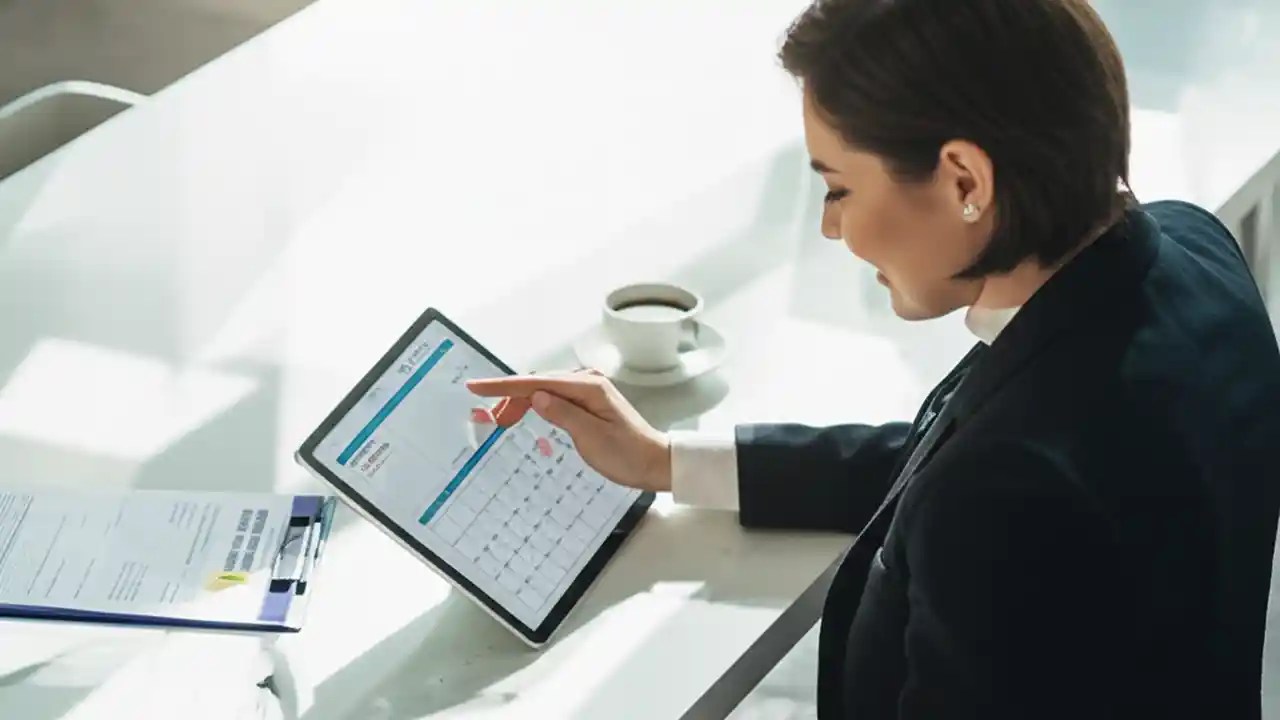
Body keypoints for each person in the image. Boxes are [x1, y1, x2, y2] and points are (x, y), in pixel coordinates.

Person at [467, 0, 1280, 717]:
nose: (831, 228)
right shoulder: (1188, 250)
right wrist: (668, 461)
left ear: (965, 177)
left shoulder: (1006, 496)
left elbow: (988, 492)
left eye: (839, 188)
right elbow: (957, 460)